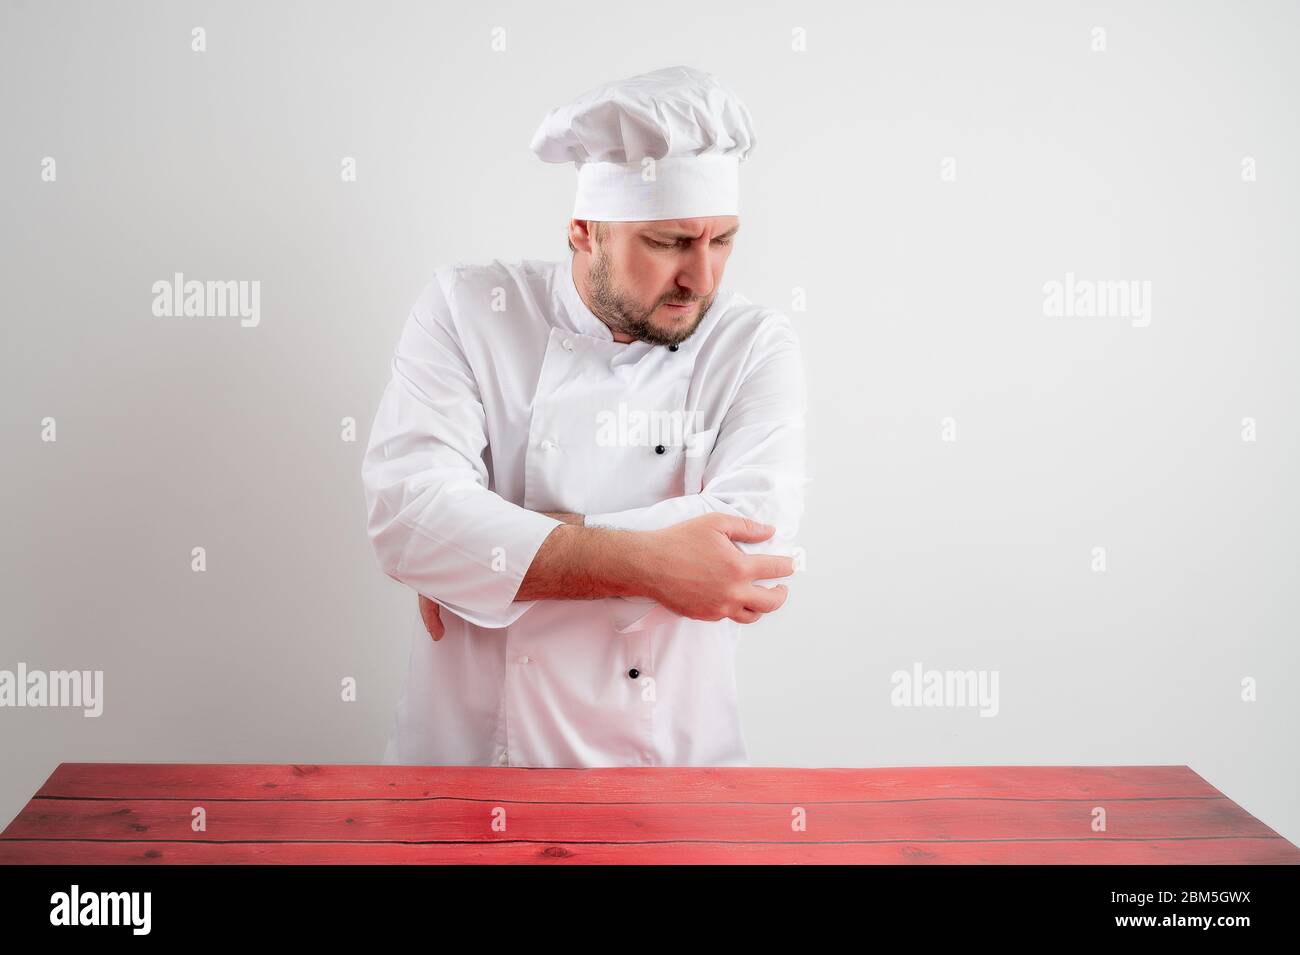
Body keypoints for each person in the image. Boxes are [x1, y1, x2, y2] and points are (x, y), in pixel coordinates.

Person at [361, 65, 809, 767]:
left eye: (721, 240)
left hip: (674, 782)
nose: (702, 279)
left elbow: (746, 557)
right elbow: (406, 515)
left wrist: (485, 549)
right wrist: (655, 561)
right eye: (667, 243)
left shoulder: (752, 345)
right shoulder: (468, 310)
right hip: (468, 774)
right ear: (583, 230)